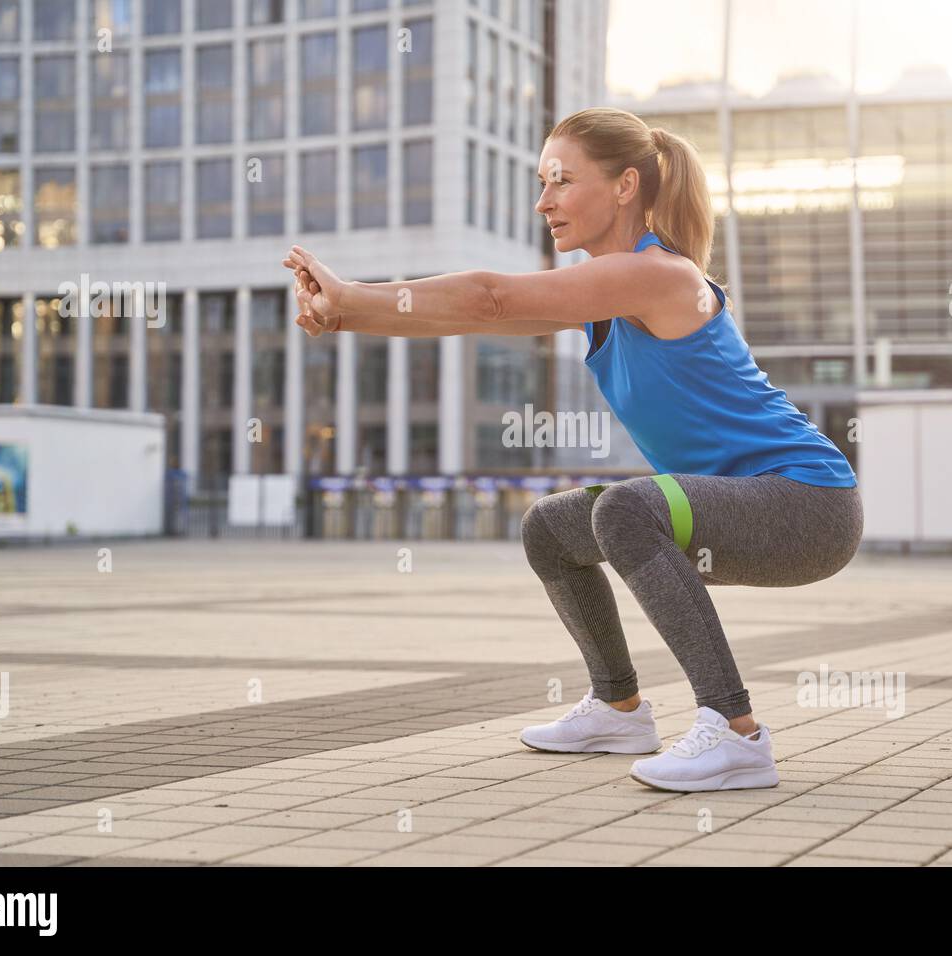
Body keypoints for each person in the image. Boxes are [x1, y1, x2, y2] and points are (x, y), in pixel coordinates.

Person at [282, 106, 863, 793]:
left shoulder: (660, 275)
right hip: (758, 505)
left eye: (560, 181)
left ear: (624, 187)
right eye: (541, 182)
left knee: (623, 510)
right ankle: (619, 710)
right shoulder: (605, 296)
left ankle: (736, 736)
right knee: (553, 527)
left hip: (811, 505)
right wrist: (348, 312)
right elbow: (472, 316)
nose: (543, 201)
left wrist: (353, 293)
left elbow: (491, 297)